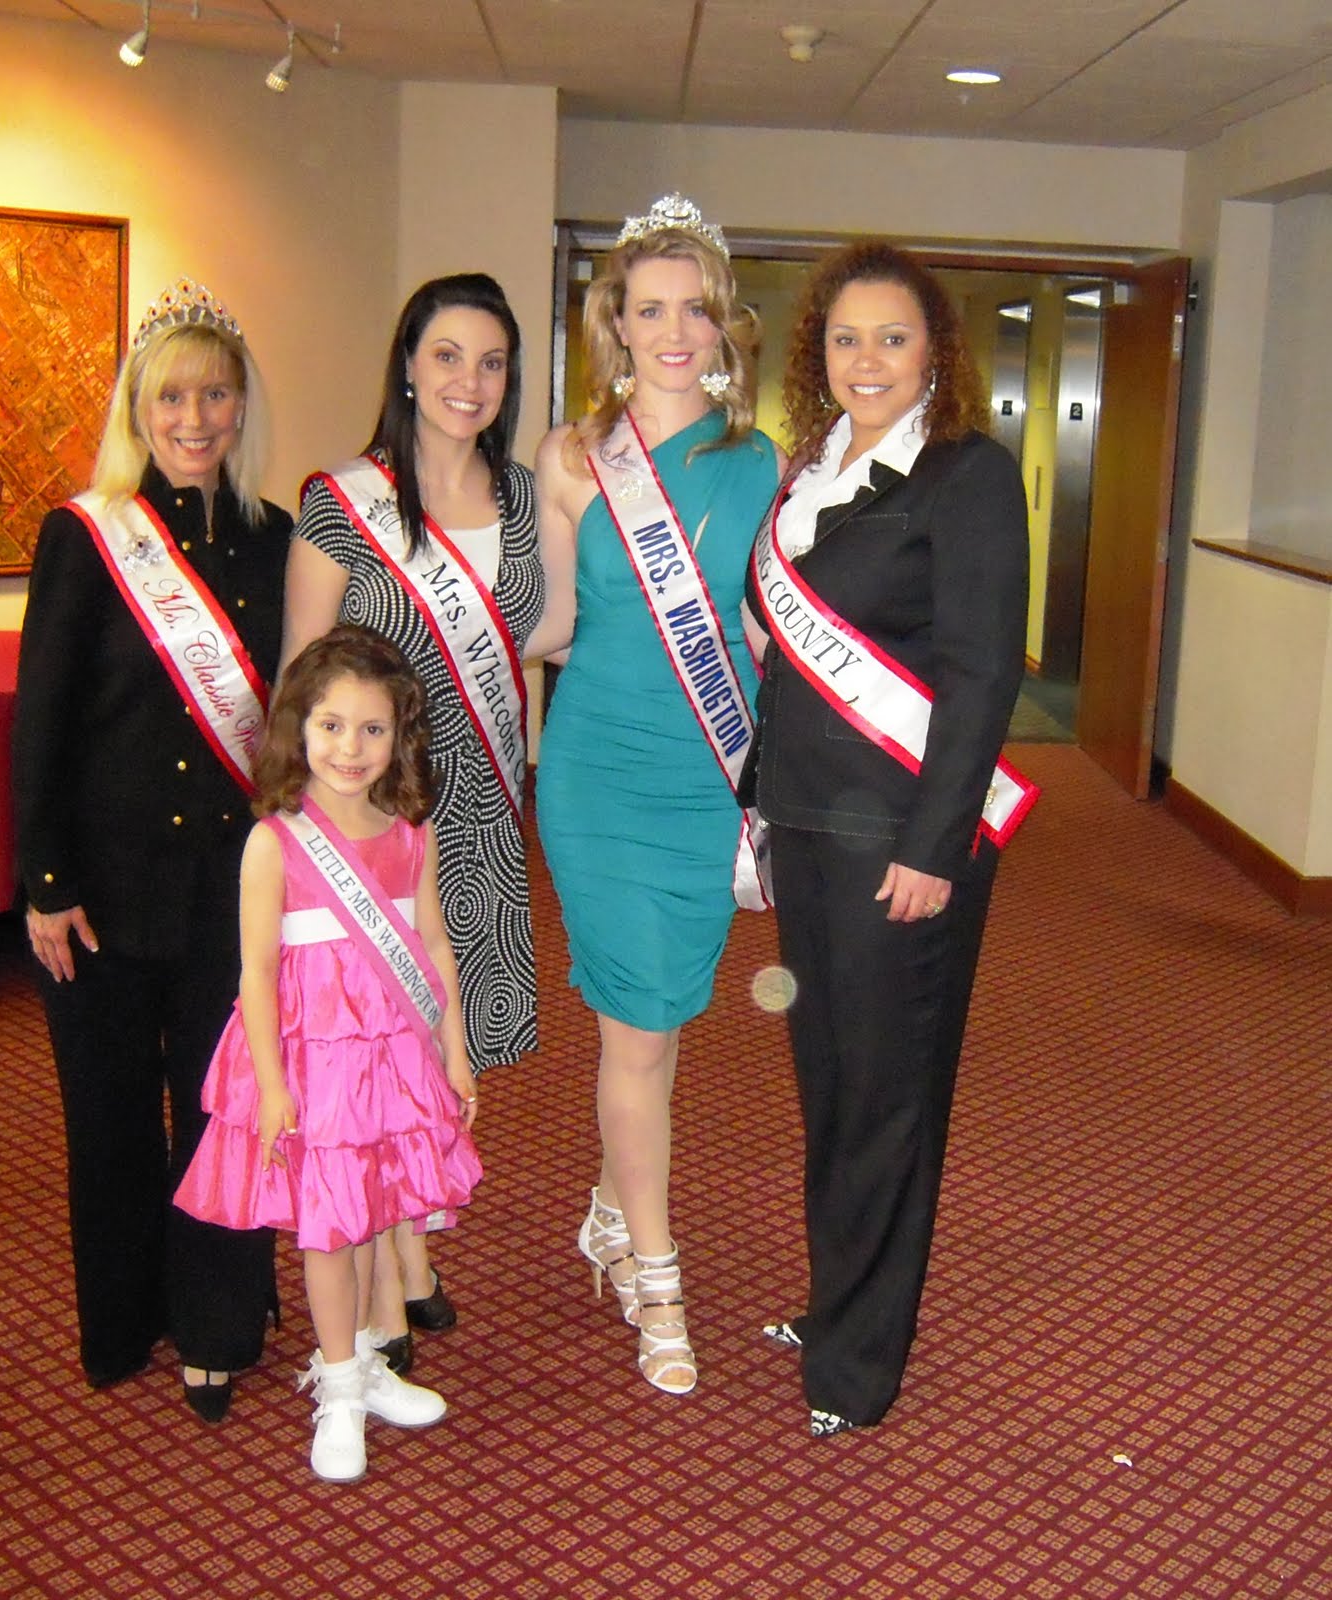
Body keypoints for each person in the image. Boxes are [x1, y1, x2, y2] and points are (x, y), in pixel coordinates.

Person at [743, 240, 1036, 1436]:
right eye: (844, 337)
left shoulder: (963, 476)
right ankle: (835, 1302)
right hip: (808, 822)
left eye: (892, 337)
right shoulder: (813, 469)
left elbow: (975, 677)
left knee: (887, 1095)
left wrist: (933, 843)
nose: (865, 359)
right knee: (828, 1080)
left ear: (936, 352)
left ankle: (856, 1368)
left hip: (897, 839)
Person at [13, 279, 289, 1421]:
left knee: (222, 1108)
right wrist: (43, 885)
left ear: (240, 406)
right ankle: (124, 1316)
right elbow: (41, 720)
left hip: (232, 892)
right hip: (101, 891)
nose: (193, 417)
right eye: (170, 395)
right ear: (137, 405)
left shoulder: (273, 542)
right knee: (112, 1112)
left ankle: (221, 1322)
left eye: (215, 394)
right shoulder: (84, 536)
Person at [533, 194, 782, 1394]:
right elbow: (550, 625)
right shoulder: (572, 457)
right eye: (648, 310)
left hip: (703, 775)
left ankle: (612, 1207)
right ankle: (657, 1274)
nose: (672, 330)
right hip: (595, 774)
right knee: (634, 1028)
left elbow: (756, 626)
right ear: (613, 328)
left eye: (694, 308)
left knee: (662, 1020)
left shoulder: (759, 462)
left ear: (723, 325)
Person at [282, 273, 542, 1369]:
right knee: (373, 1051)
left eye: (489, 362)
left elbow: (546, 633)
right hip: (371, 816)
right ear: (405, 364)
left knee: (443, 1050)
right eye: (445, 356)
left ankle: (415, 1254)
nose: (466, 382)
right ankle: (388, 1279)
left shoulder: (528, 496)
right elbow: (300, 679)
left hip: (479, 811)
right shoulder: (342, 503)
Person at [174, 626, 482, 1483]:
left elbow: (434, 947)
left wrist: (454, 1053)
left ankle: (373, 1368)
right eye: (332, 726)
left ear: (400, 737)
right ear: (297, 730)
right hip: (314, 1069)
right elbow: (257, 975)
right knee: (328, 1228)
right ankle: (338, 1384)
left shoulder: (408, 831)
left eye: (373, 729)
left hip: (391, 1063)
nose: (351, 748)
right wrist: (272, 1088)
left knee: (379, 1208)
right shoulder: (275, 841)